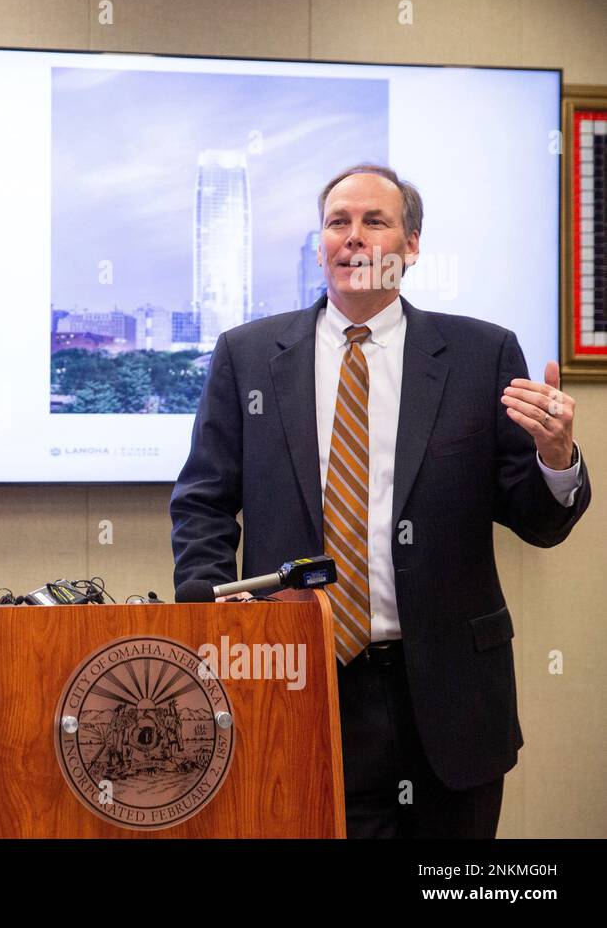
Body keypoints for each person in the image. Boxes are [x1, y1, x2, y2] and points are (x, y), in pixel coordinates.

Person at [169, 164, 591, 838]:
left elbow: (540, 523)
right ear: (319, 246)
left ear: (412, 246)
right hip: (295, 683)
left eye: (375, 222)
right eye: (338, 223)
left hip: (448, 698)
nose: (354, 238)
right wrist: (219, 614)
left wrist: (556, 457)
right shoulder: (248, 356)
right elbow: (202, 501)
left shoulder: (482, 354)